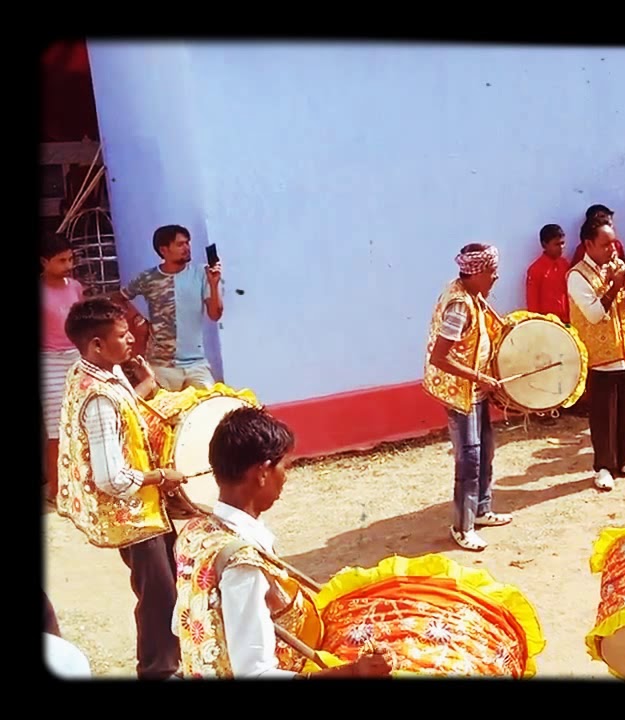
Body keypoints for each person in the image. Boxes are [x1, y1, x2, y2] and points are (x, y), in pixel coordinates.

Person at [171, 406, 393, 678]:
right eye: (285, 467)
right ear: (263, 472)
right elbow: (255, 674)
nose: (286, 478)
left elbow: (181, 623)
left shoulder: (196, 532)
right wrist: (353, 672)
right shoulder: (243, 565)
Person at [56, 296, 187, 680]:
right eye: (122, 335)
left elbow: (125, 406)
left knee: (165, 589)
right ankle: (158, 670)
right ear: (96, 344)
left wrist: (145, 383)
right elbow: (110, 477)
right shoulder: (98, 398)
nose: (131, 339)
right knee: (159, 596)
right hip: (134, 516)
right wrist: (161, 477)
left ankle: (166, 663)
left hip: (145, 511)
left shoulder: (97, 373)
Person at [422, 243, 515, 552]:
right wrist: (480, 377)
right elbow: (439, 357)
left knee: (485, 449)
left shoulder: (473, 295)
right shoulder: (459, 306)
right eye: (491, 272)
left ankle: (482, 509)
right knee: (469, 458)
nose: (496, 277)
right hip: (461, 391)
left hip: (476, 389)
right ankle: (463, 526)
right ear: (475, 273)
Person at [569, 217, 625, 491]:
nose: (612, 250)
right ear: (588, 244)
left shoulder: (616, 266)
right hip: (600, 358)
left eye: (613, 243)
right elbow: (593, 314)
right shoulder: (577, 276)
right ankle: (603, 466)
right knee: (603, 416)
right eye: (605, 245)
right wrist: (615, 286)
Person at [115, 224, 225, 392]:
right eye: (180, 244)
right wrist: (137, 319)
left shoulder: (201, 273)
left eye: (188, 243)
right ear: (164, 250)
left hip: (196, 363)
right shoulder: (148, 278)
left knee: (210, 405)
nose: (187, 248)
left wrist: (214, 284)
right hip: (161, 364)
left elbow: (215, 315)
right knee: (163, 413)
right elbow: (118, 298)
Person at [41, 235, 85, 502]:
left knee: (83, 422)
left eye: (70, 259)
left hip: (77, 357)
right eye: (61, 260)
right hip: (49, 362)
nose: (68, 265)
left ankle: (82, 486)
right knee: (56, 430)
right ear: (44, 262)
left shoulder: (76, 287)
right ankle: (56, 489)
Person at [525, 223, 571, 324]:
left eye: (562, 243)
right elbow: (533, 302)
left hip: (567, 321)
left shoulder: (565, 265)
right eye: (556, 244)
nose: (561, 247)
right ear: (544, 244)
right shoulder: (535, 269)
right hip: (547, 323)